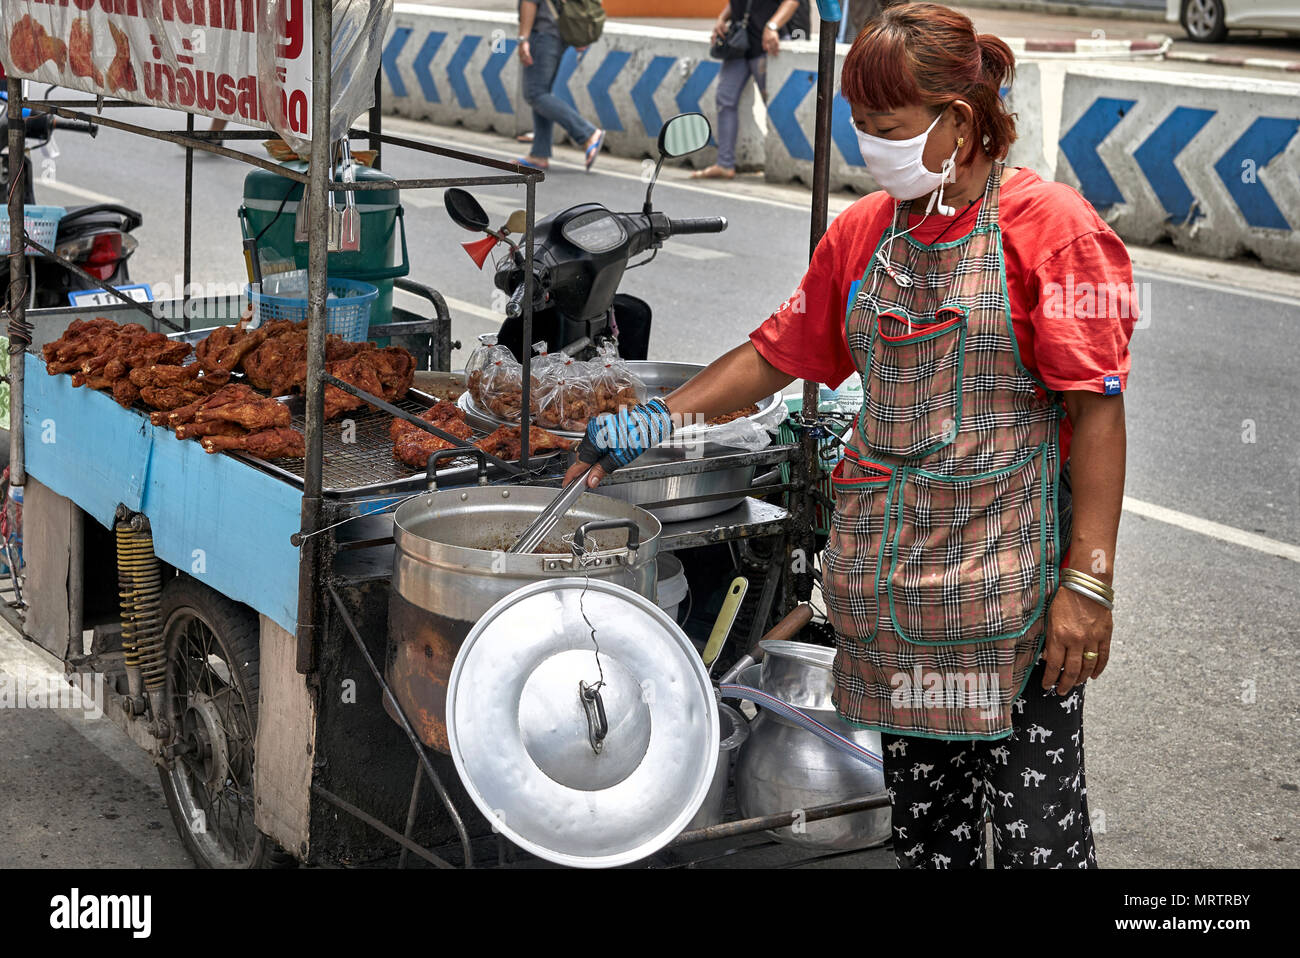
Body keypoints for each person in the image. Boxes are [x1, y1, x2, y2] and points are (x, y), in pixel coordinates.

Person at [568, 2, 1137, 868]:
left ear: (962, 119)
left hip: (1011, 603)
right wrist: (656, 418)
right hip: (895, 600)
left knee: (1038, 839)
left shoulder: (1052, 231)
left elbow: (1096, 409)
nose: (873, 147)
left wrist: (1088, 585)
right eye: (863, 127)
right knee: (927, 835)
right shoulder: (865, 232)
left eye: (889, 127)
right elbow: (771, 356)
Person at [693, 0, 810, 179]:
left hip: (766, 45)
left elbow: (792, 1)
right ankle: (724, 164)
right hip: (739, 44)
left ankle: (795, 167)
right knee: (725, 99)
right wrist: (721, 19)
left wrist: (772, 26)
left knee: (773, 106)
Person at [516, 0, 605, 171]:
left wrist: (523, 39)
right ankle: (539, 154)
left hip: (542, 33)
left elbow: (530, 2)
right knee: (543, 92)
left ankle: (587, 133)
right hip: (559, 31)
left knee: (534, 94)